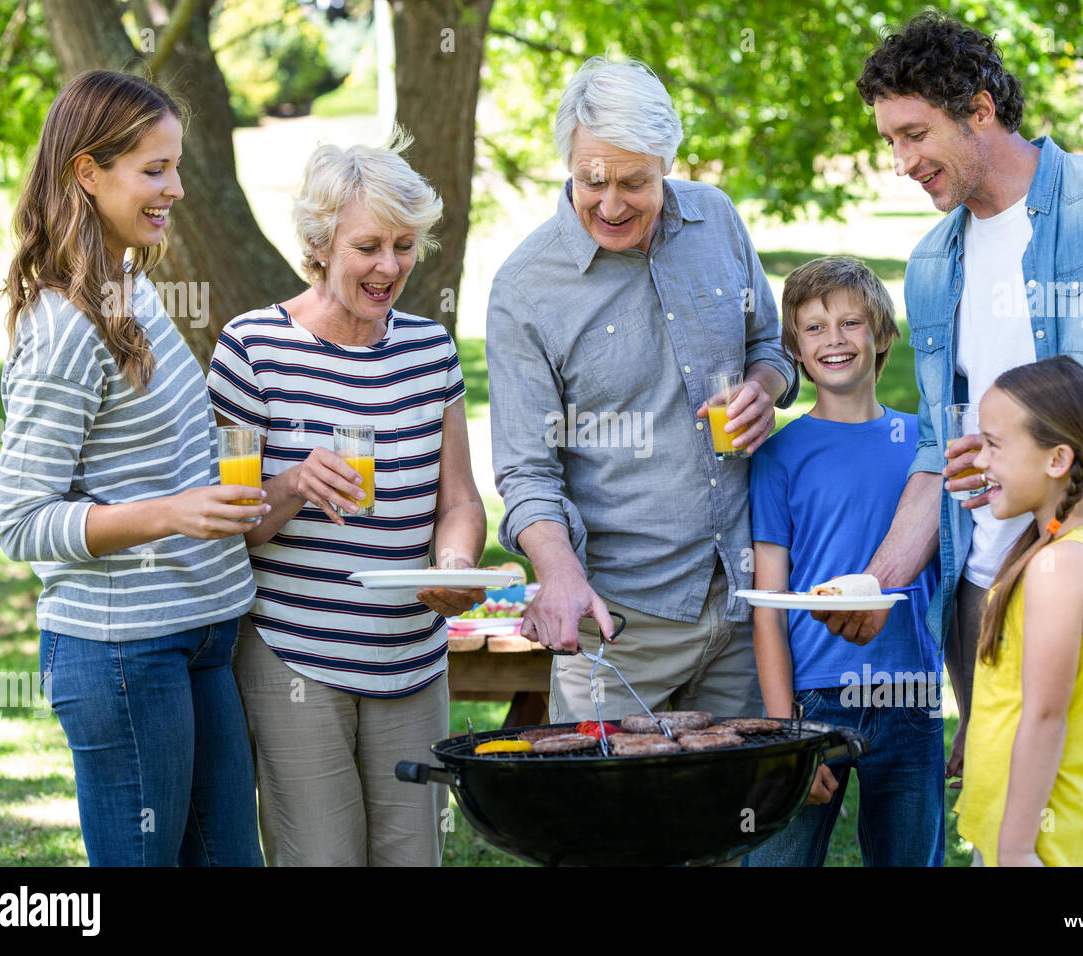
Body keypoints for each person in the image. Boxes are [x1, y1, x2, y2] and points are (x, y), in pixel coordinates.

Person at [821, 12, 1083, 866]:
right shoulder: (935, 262)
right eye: (890, 142)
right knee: (1004, 825)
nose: (902, 162)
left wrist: (1064, 459)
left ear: (978, 109)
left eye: (913, 135)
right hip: (982, 589)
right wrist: (882, 578)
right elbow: (945, 450)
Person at [0, 70, 263, 866]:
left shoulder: (128, 283)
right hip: (123, 650)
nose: (176, 189)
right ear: (88, 171)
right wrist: (172, 512)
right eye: (154, 170)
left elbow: (149, 451)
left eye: (176, 167)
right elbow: (21, 523)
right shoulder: (63, 326)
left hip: (201, 630)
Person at [487, 56, 799, 723]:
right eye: (590, 180)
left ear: (666, 162)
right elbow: (525, 469)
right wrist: (559, 573)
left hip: (746, 602)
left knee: (740, 814)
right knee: (613, 822)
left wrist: (762, 389)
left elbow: (770, 347)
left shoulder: (716, 220)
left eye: (635, 181)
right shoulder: (525, 289)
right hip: (620, 622)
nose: (610, 203)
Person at [206, 131, 486, 866]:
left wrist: (453, 565)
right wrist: (295, 482)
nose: (389, 267)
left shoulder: (430, 351)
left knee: (412, 859)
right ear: (320, 243)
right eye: (368, 246)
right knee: (320, 858)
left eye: (404, 244)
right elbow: (230, 526)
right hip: (295, 655)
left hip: (412, 655)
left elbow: (459, 501)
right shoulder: (252, 349)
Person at [743, 257, 943, 867]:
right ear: (794, 351)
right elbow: (768, 609)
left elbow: (958, 586)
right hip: (813, 704)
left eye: (851, 323)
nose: (834, 339)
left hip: (911, 696)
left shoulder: (926, 447)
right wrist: (785, 737)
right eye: (814, 328)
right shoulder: (777, 456)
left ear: (883, 336)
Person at [958, 355, 1083, 866]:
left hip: (1039, 846)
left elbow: (1046, 717)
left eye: (994, 445)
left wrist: (1014, 850)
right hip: (1020, 833)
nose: (980, 461)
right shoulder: (1059, 549)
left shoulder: (1064, 567)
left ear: (1057, 461)